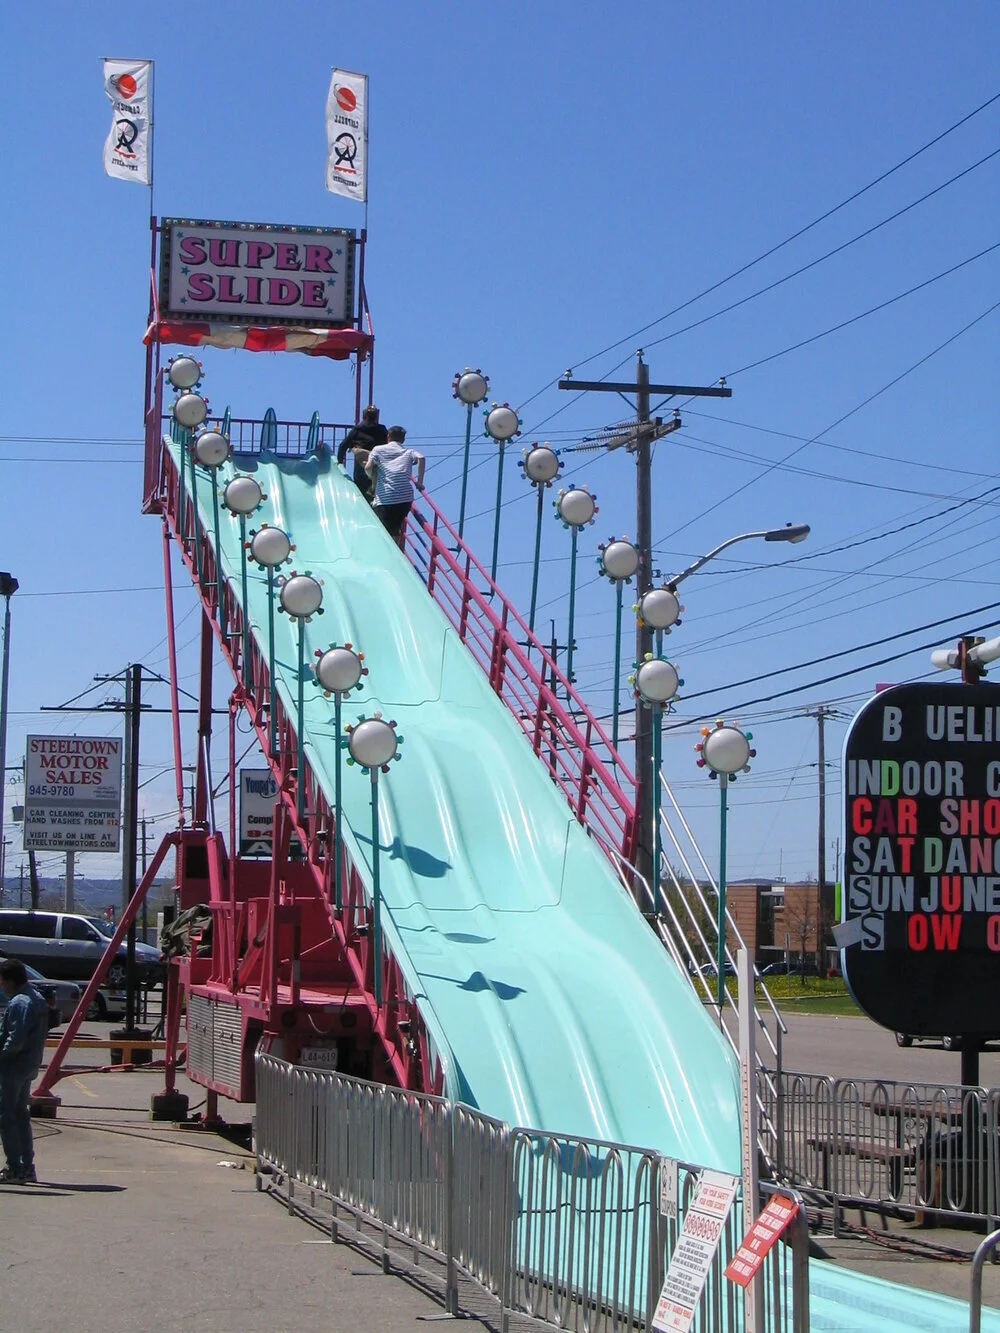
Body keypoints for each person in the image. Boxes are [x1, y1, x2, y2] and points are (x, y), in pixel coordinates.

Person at [0, 958, 49, 1184]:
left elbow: (15, 1040)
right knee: (20, 1114)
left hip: (14, 1067)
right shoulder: (37, 998)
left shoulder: (19, 1002)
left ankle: (15, 1167)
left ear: (10, 981)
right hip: (29, 1064)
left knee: (6, 1115)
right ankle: (27, 1166)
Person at [365, 426, 426, 547]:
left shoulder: (378, 449)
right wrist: (419, 482)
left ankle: (386, 552)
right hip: (405, 499)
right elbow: (421, 458)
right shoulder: (409, 452)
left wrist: (371, 476)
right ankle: (396, 552)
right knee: (395, 527)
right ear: (403, 439)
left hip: (385, 498)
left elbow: (368, 467)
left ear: (388, 437)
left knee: (383, 529)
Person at [335, 405, 387, 500]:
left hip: (362, 465)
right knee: (377, 490)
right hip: (378, 465)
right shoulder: (382, 429)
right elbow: (387, 445)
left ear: (364, 417)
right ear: (376, 417)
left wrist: (340, 461)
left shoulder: (357, 429)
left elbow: (343, 445)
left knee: (362, 490)